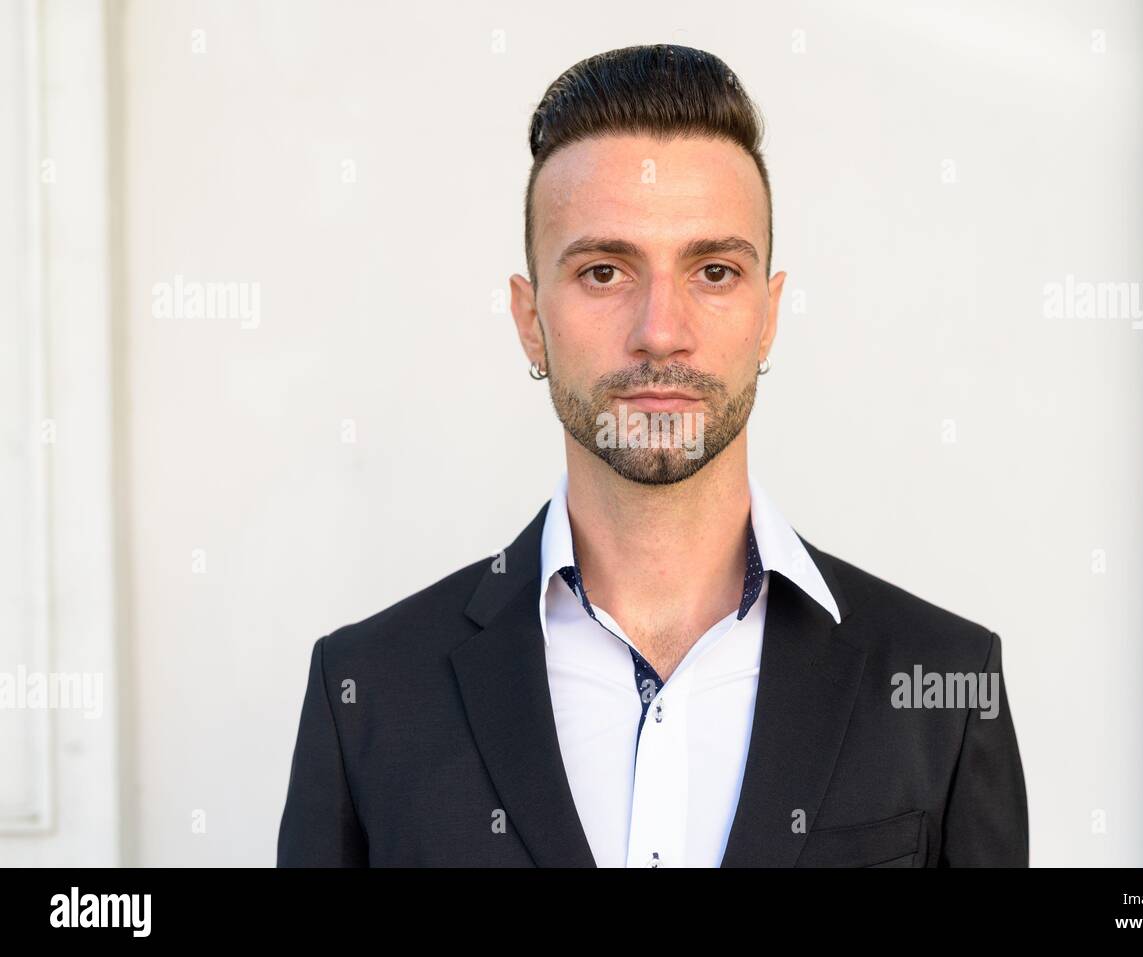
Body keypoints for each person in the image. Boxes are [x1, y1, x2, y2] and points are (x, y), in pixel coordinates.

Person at [277, 43, 1028, 867]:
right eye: (604, 271)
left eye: (713, 270)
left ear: (768, 314)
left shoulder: (945, 689)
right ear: (531, 320)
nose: (660, 330)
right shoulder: (369, 694)